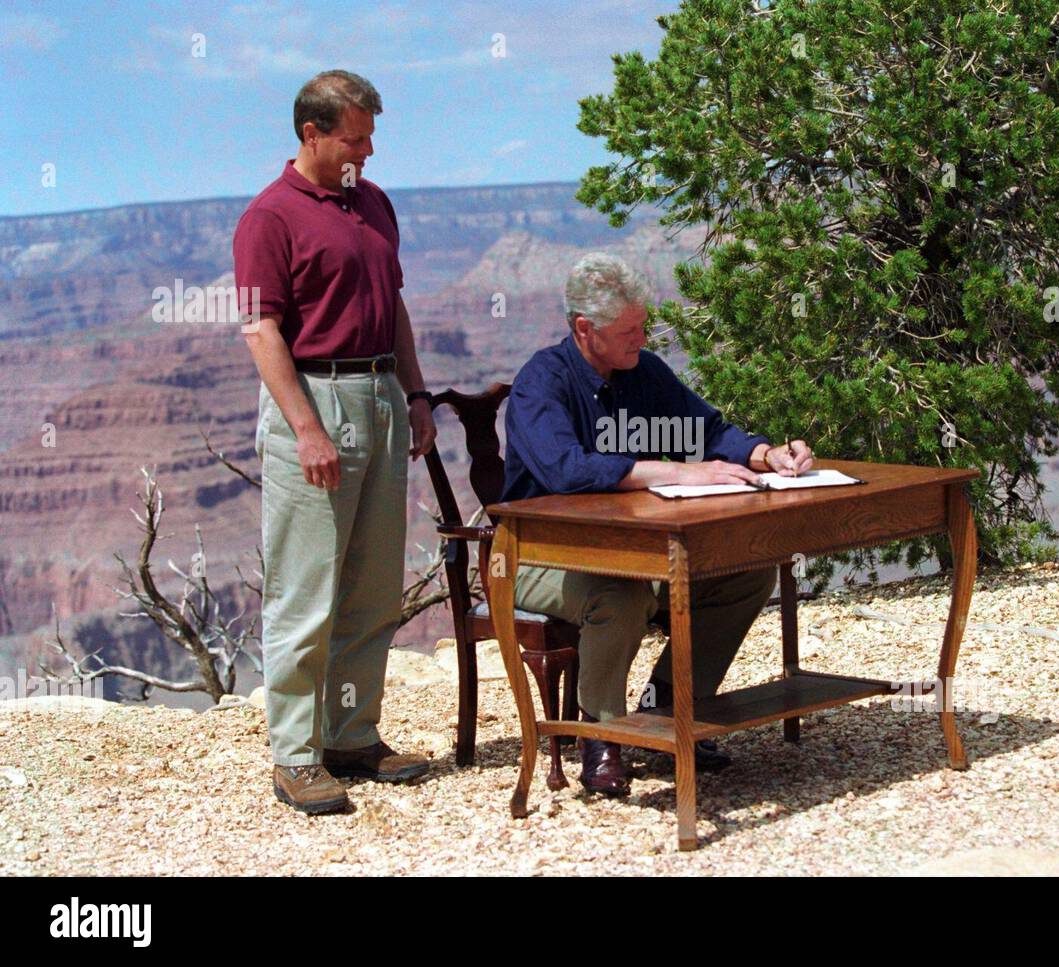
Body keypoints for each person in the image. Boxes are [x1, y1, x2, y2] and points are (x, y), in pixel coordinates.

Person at [502, 253, 815, 796]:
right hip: (539, 556)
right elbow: (567, 469)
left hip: (634, 548)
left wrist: (766, 454)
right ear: (584, 329)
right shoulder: (540, 383)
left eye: (643, 325)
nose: (641, 339)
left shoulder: (641, 371)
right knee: (618, 598)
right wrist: (675, 471)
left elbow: (707, 429)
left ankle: (669, 712)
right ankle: (601, 739)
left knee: (747, 572)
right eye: (629, 330)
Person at [235, 70, 437, 815]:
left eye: (371, 135)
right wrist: (307, 427)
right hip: (315, 398)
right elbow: (261, 330)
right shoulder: (271, 216)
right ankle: (295, 754)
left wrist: (414, 393)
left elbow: (398, 306)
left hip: (380, 392)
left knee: (373, 582)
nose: (369, 150)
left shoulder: (372, 203)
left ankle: (352, 733)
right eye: (356, 137)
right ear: (312, 134)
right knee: (306, 586)